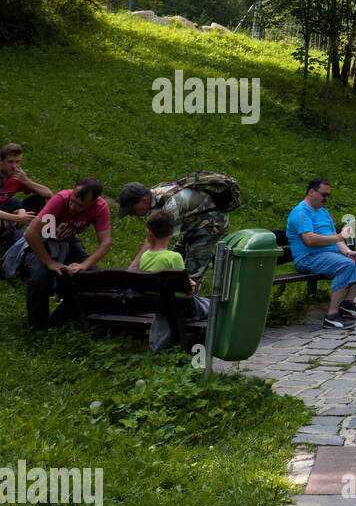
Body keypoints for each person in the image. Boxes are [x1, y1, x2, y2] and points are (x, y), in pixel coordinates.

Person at [14, 178, 112, 330]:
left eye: (80, 205)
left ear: (92, 203)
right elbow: (31, 234)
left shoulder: (100, 208)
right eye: (72, 201)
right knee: (40, 279)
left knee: (93, 278)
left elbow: (105, 243)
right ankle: (38, 326)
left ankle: (62, 319)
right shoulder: (60, 199)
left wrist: (83, 265)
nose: (72, 207)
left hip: (67, 241)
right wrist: (49, 262)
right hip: (42, 239)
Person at [286, 178, 356, 329]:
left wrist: (347, 252)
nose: (326, 199)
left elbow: (334, 237)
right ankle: (332, 316)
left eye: (328, 196)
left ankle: (347, 304)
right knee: (345, 265)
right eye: (324, 195)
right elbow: (309, 240)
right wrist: (339, 238)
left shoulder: (323, 212)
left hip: (329, 255)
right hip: (308, 258)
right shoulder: (300, 212)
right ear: (311, 192)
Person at [118, 173, 237, 285]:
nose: (132, 214)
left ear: (143, 200)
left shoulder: (172, 203)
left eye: (132, 210)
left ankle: (190, 302)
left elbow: (153, 238)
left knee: (190, 277)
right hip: (193, 224)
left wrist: (134, 266)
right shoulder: (154, 197)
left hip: (211, 225)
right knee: (173, 268)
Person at [129, 209, 207, 351]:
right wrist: (191, 286)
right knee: (211, 304)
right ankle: (202, 350)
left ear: (149, 232)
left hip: (155, 305)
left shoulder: (145, 256)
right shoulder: (174, 257)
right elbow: (187, 291)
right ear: (172, 231)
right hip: (179, 307)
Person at [0, 143, 54, 251]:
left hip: (7, 211)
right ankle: (19, 243)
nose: (14, 166)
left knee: (37, 199)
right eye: (10, 162)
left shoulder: (17, 177)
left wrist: (26, 181)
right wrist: (18, 217)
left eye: (18, 162)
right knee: (16, 203)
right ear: (1, 160)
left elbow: (49, 194)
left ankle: (47, 240)